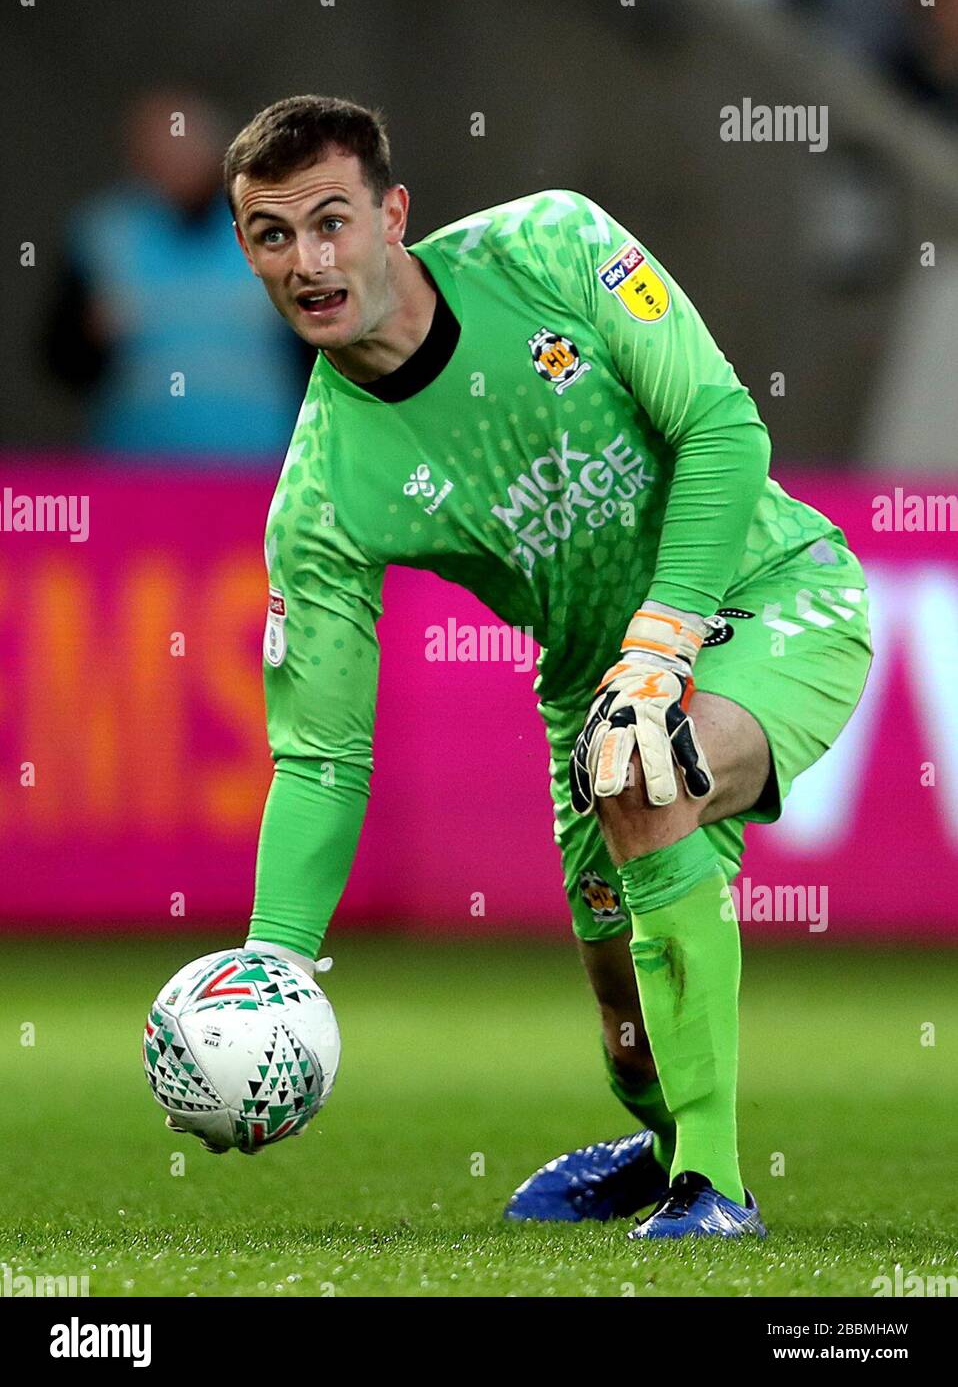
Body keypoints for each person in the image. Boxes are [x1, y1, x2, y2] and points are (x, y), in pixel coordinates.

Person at [195, 94, 871, 1239]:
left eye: (331, 222)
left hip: (770, 592)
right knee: (629, 1036)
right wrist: (275, 964)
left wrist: (662, 643)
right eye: (272, 235)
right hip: (594, 689)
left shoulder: (556, 244)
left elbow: (721, 428)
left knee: (645, 767)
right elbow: (321, 757)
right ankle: (659, 1138)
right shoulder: (320, 498)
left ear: (393, 214)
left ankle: (713, 1185)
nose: (307, 261)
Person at [41, 90, 313, 459]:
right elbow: (59, 357)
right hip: (136, 468)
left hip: (261, 466)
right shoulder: (103, 236)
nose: (173, 165)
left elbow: (322, 348)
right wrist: (87, 336)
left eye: (183, 149)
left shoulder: (274, 229)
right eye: (157, 153)